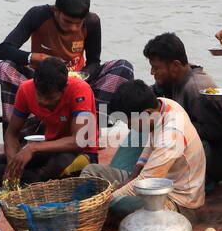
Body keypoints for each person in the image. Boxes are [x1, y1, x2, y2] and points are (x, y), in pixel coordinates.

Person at [0, 0, 133, 131]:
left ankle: (92, 123)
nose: (73, 28)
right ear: (56, 11)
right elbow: (3, 50)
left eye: (77, 23)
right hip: (42, 81)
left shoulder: (92, 22)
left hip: (76, 81)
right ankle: (23, 129)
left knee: (123, 67)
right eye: (67, 21)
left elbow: (94, 61)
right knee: (5, 68)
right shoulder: (37, 15)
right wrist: (36, 57)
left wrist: (82, 77)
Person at [84, 80, 205, 222]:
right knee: (91, 171)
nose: (129, 128)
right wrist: (130, 178)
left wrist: (107, 199)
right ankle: (100, 212)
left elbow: (145, 181)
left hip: (178, 202)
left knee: (120, 204)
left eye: (130, 123)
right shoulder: (163, 104)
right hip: (151, 182)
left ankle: (95, 214)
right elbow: (150, 146)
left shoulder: (171, 136)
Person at [0, 57, 99, 186]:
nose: (44, 102)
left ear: (64, 89)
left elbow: (78, 142)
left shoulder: (80, 90)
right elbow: (11, 134)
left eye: (51, 98)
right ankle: (36, 180)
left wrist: (32, 148)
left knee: (59, 164)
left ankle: (36, 180)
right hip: (49, 149)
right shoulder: (25, 89)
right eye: (40, 96)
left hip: (81, 153)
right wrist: (13, 165)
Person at [141, 32, 222, 188]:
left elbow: (217, 131)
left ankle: (200, 180)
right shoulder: (176, 75)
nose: (153, 73)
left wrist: (172, 124)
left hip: (220, 158)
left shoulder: (196, 89)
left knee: (171, 135)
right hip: (207, 147)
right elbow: (155, 92)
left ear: (175, 65)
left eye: (156, 68)